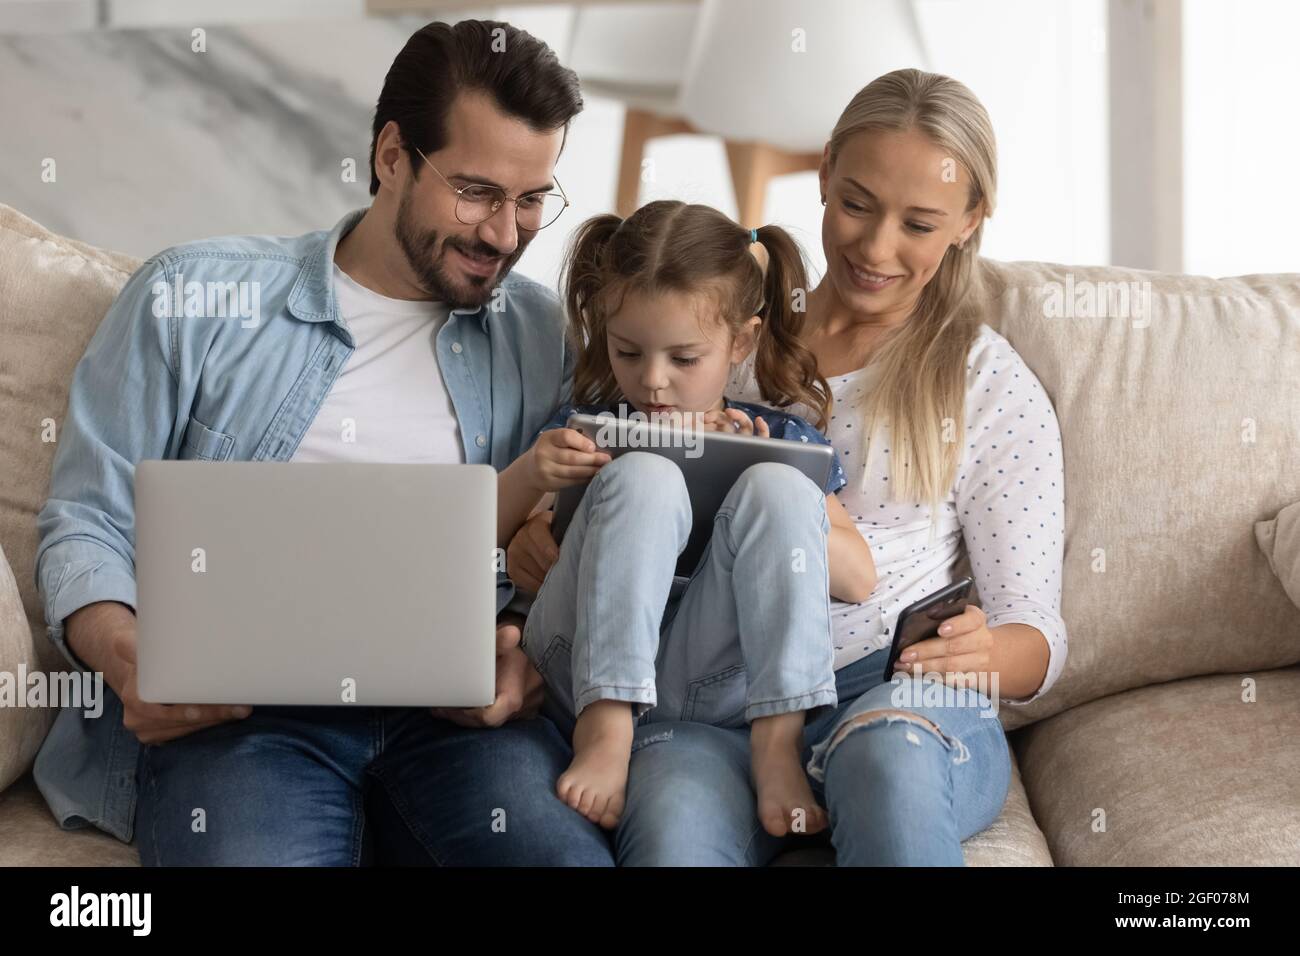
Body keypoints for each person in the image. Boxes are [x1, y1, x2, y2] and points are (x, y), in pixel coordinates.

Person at [33, 19, 615, 866]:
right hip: (242, 723)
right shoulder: (194, 296)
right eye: (477, 192)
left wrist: (525, 653)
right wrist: (127, 659)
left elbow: (566, 539)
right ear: (391, 157)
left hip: (454, 725)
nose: (503, 234)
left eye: (531, 200)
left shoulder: (542, 336)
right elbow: (86, 520)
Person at [506, 69, 1069, 866]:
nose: (875, 249)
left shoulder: (984, 382)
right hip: (708, 689)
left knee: (888, 764)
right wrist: (537, 529)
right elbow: (598, 472)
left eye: (918, 223)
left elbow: (1038, 630)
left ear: (972, 218)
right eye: (857, 204)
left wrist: (985, 652)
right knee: (673, 834)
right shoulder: (713, 320)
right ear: (827, 169)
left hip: (889, 687)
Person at [496, 201, 877, 836]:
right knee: (644, 473)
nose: (653, 380)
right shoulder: (584, 429)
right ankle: (607, 728)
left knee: (779, 488)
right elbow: (495, 546)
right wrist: (535, 478)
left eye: (683, 358)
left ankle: (777, 740)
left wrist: (753, 473)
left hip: (716, 685)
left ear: (742, 342)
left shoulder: (782, 436)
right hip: (578, 666)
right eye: (628, 351)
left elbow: (859, 578)